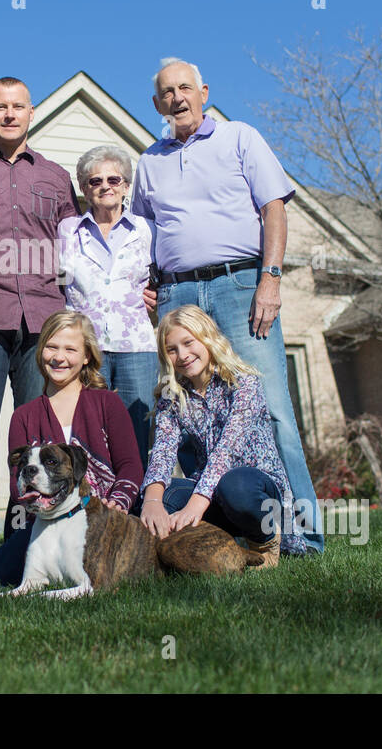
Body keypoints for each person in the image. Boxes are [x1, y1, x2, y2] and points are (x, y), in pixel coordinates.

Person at [132, 59, 324, 553]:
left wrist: (271, 278)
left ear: (203, 91)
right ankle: (220, 534)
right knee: (185, 410)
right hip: (176, 293)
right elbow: (143, 233)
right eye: (167, 93)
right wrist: (149, 286)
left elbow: (273, 208)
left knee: (273, 407)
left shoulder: (240, 137)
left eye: (185, 88)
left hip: (239, 286)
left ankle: (306, 534)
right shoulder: (149, 162)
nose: (177, 98)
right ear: (157, 105)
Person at [0, 77, 80, 557]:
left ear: (32, 114)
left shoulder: (55, 177)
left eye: (18, 107)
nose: (9, 115)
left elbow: (77, 246)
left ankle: (29, 545)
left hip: (43, 329)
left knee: (39, 440)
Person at [0, 310, 143, 586]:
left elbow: (131, 466)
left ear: (87, 356)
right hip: (46, 520)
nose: (59, 357)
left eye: (70, 349)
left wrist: (118, 503)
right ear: (41, 351)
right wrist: (38, 501)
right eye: (51, 347)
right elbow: (18, 484)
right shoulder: (24, 415)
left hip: (101, 517)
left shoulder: (106, 403)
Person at [140, 305, 309, 564]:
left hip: (252, 490)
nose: (182, 355)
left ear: (208, 338)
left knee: (235, 486)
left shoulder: (244, 383)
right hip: (209, 492)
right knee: (159, 498)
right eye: (172, 350)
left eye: (188, 343)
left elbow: (227, 452)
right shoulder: (172, 395)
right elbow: (163, 451)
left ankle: (264, 541)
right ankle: (209, 544)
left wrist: (196, 504)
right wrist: (152, 500)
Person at [58, 145, 156, 470]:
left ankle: (139, 511)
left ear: (126, 185)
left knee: (137, 433)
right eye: (94, 180)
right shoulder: (67, 230)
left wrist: (159, 295)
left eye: (114, 179)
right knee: (89, 435)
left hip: (137, 347)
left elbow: (164, 278)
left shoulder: (147, 230)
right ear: (84, 188)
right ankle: (95, 509)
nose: (105, 186)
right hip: (88, 349)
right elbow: (56, 285)